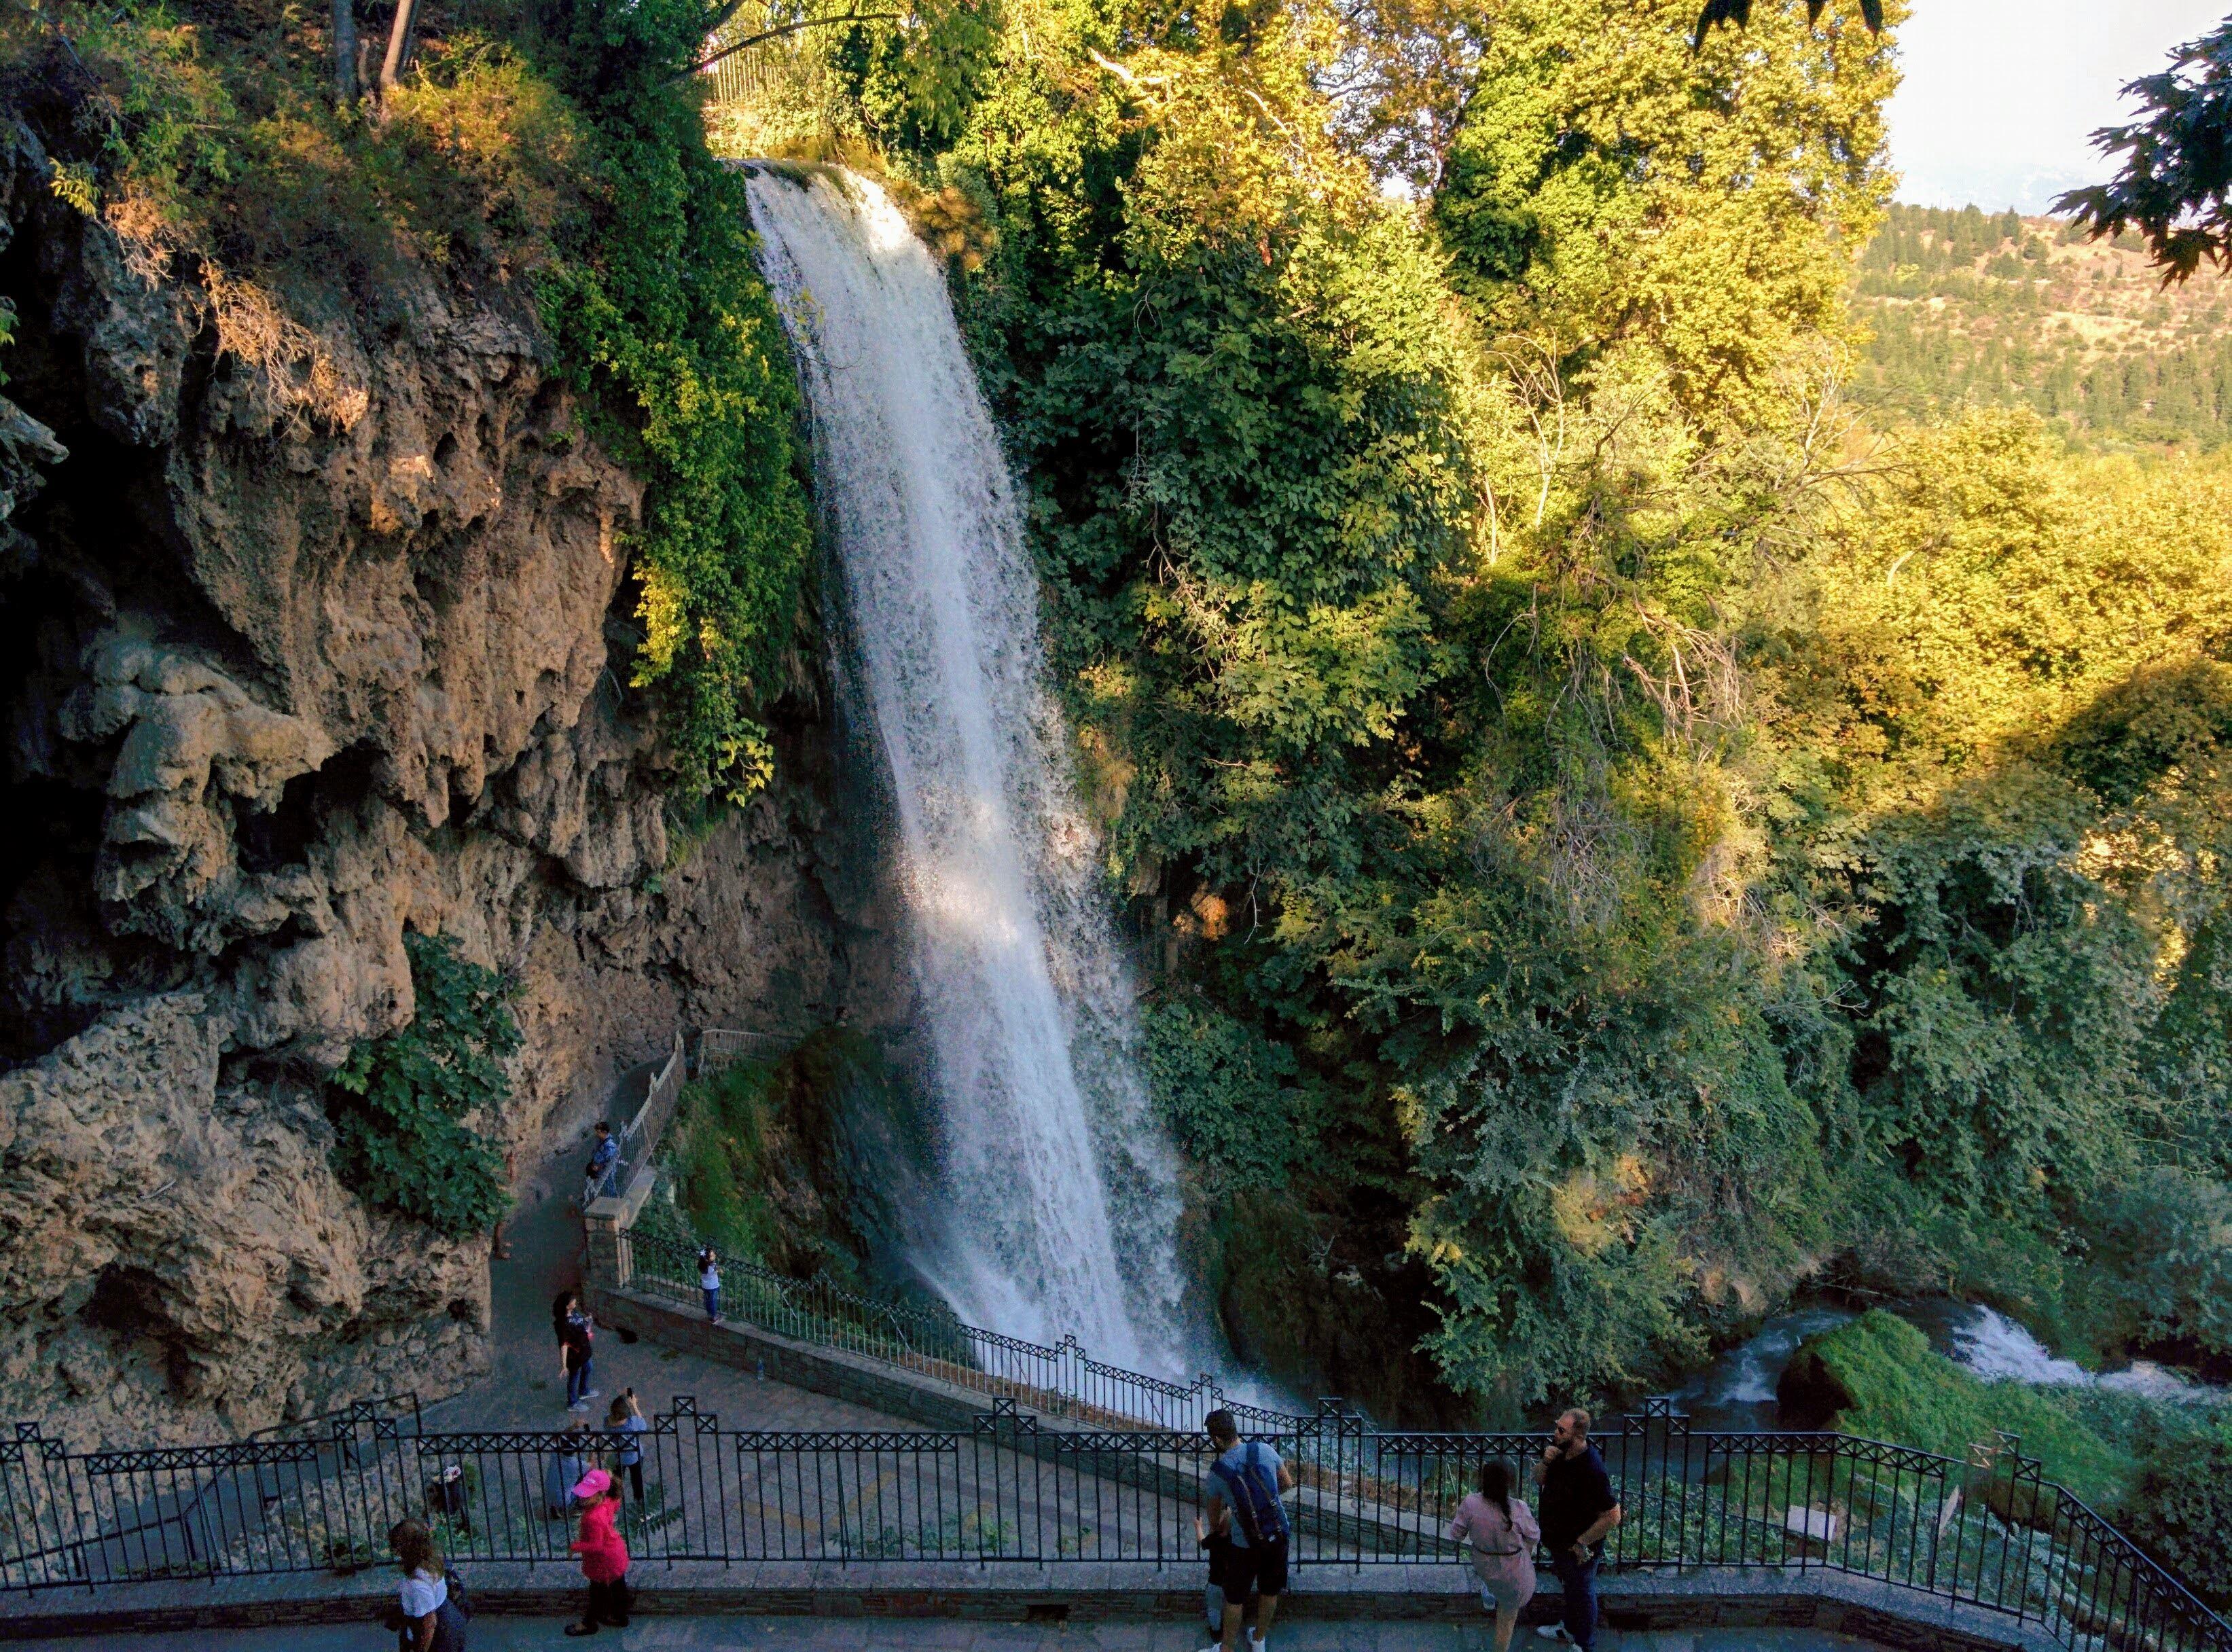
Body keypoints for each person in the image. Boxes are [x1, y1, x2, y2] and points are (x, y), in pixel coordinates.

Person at [1200, 1408, 1294, 1652]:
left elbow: (1214, 1521)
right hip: (1278, 1532)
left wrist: (1231, 1517)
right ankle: (1259, 1639)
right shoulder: (1264, 1449)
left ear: (1218, 1440)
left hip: (1246, 1544)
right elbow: (1287, 1482)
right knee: (1270, 1590)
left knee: (1234, 1598)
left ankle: (1227, 1649)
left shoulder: (1218, 1473)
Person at [1532, 1409, 1621, 1649]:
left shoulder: (1593, 1469)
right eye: (1556, 1426)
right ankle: (1569, 1629)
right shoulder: (1559, 1454)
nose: (1556, 1433)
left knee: (1583, 1592)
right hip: (1559, 1542)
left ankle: (1584, 1644)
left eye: (1562, 1430)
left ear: (1579, 1435)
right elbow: (1539, 1479)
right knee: (1572, 1588)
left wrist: (1582, 1543)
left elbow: (1613, 1516)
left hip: (1579, 1546)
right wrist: (1545, 1461)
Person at [1451, 1459, 1539, 1652]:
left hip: (1483, 1562)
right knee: (1507, 1618)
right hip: (1514, 1572)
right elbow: (1534, 1536)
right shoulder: (1520, 1508)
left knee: (1492, 1579)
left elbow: (1456, 1534)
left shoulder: (1471, 1503)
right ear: (1511, 1483)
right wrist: (1525, 1553)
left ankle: (1490, 1593)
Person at [565, 1468, 632, 1636]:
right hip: (614, 1554)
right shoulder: (607, 1504)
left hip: (604, 1562)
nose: (583, 1497)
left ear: (600, 1494)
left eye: (588, 1495)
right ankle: (620, 1616)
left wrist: (576, 1547)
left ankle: (589, 1624)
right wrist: (609, 1478)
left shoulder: (592, 1518)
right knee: (617, 1586)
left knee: (597, 1594)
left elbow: (596, 1546)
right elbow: (616, 1499)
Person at [388, 1517, 467, 1651]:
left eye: (396, 1547)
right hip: (451, 1621)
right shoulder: (433, 1559)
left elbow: (430, 1624)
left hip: (439, 1637)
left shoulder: (417, 1585)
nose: (395, 1552)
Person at [1193, 1511, 1260, 1648]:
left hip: (1215, 1583)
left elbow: (1202, 1541)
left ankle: (1216, 1632)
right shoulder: (1237, 1542)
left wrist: (1198, 1526)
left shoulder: (1215, 1538)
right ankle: (1231, 1630)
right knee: (1233, 1606)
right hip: (1232, 1583)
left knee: (1214, 1608)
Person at [556, 1291, 597, 1412]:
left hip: (584, 1351)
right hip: (575, 1356)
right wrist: (564, 1365)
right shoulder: (564, 1324)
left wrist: (586, 1322)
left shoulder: (574, 1313)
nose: (575, 1302)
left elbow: (579, 1324)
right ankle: (572, 1403)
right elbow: (564, 1345)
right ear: (567, 1305)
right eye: (573, 1301)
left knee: (588, 1367)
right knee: (575, 1376)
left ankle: (584, 1391)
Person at [543, 1419, 592, 1520]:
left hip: (548, 1494)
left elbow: (557, 1437)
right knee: (589, 1477)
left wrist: (573, 1426)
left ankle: (555, 1507)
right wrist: (592, 1443)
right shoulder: (577, 1465)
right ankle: (577, 1507)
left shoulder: (555, 1453)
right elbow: (591, 1464)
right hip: (564, 1499)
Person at [606, 1389, 648, 1503]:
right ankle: (640, 1505)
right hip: (635, 1457)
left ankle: (617, 1504)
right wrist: (634, 1404)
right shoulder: (633, 1423)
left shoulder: (607, 1422)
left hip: (619, 1458)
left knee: (618, 1482)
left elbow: (612, 1412)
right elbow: (643, 1425)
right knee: (637, 1481)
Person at [582, 1122, 620, 1206]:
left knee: (609, 1187)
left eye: (599, 1132)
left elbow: (610, 1161)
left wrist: (599, 1167)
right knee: (599, 1185)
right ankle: (599, 1198)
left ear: (604, 1132)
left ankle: (613, 1203)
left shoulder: (610, 1146)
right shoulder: (602, 1141)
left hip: (606, 1171)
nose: (597, 1134)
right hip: (598, 1168)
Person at [698, 1244, 721, 1323]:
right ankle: (714, 1316)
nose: (714, 1255)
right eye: (712, 1255)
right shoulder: (713, 1266)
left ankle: (709, 1314)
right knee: (713, 1301)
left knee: (707, 1300)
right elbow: (721, 1272)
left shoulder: (702, 1266)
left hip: (705, 1286)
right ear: (708, 1259)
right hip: (713, 1287)